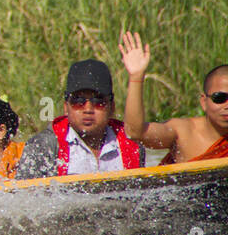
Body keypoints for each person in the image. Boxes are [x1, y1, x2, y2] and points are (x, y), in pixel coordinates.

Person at [119, 31, 228, 164]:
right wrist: (136, 77)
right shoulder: (182, 132)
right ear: (204, 102)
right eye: (220, 98)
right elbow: (135, 133)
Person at [15, 59, 143, 179]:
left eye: (98, 101)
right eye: (78, 101)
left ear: (112, 107)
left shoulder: (132, 143)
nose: (88, 109)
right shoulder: (44, 146)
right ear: (66, 107)